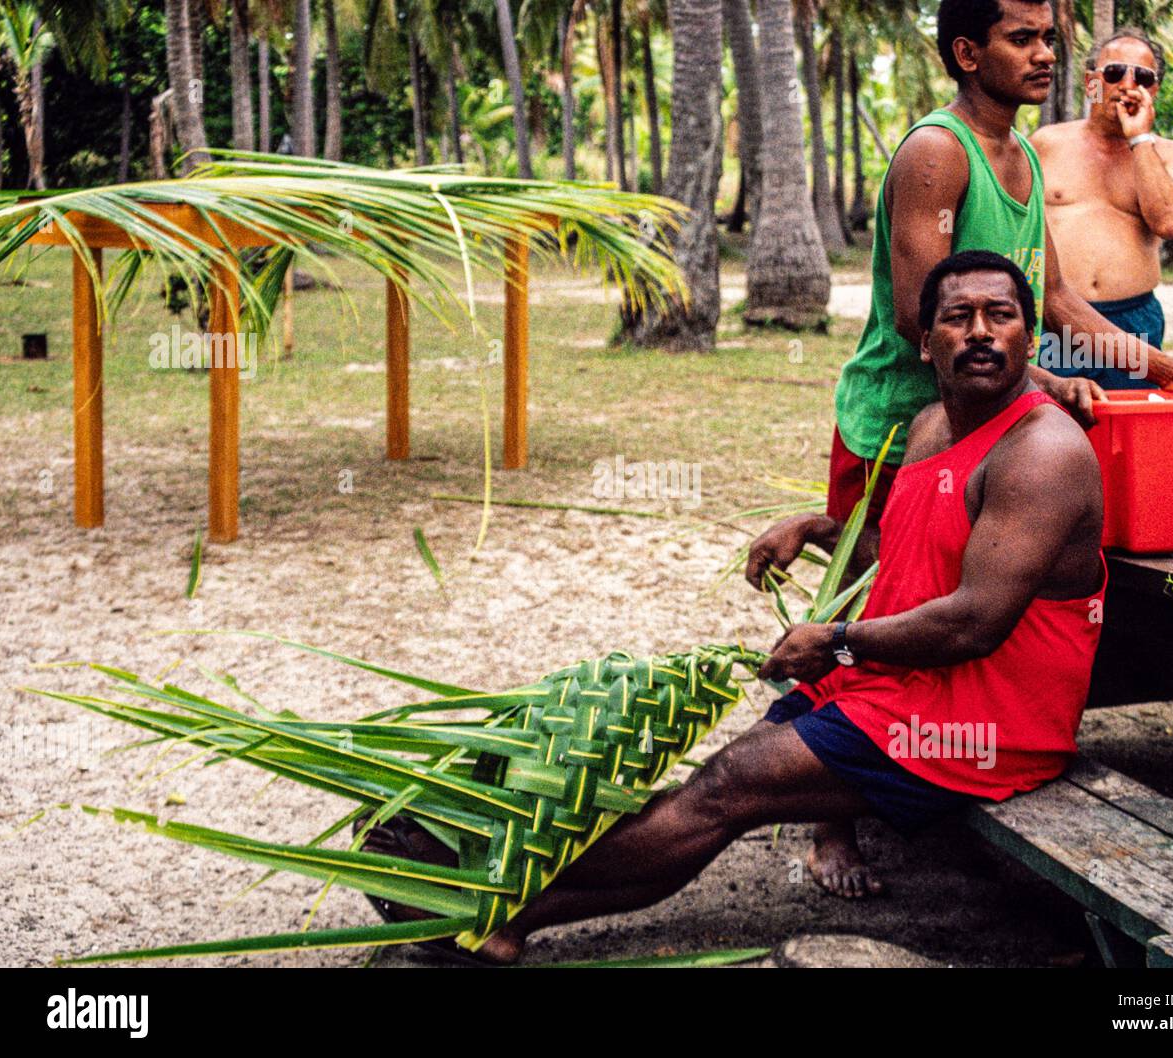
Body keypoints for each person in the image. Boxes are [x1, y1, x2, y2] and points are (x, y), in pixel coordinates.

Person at [363, 252, 1108, 965]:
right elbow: (921, 560)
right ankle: (503, 915)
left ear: (1031, 336)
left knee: (727, 788)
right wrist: (819, 529)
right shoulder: (931, 429)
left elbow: (975, 621)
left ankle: (496, 909)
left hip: (986, 722)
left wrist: (836, 642)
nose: (979, 332)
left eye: (1000, 315)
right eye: (958, 317)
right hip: (903, 682)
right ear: (924, 343)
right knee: (719, 787)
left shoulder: (1041, 452)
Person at [746, 0, 1173, 900]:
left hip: (974, 418)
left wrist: (1165, 367)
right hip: (901, 419)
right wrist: (1039, 385)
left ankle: (899, 765)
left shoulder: (1018, 156)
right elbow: (910, 312)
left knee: (939, 605)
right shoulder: (938, 152)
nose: (1046, 53)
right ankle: (828, 822)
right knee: (868, 592)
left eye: (1050, 38)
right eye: (1023, 39)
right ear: (969, 53)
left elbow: (1057, 306)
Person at [1031, 27, 1173, 389]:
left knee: (1127, 432)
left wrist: (1139, 137)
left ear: (1153, 90)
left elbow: (1169, 222)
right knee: (1052, 430)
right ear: (1091, 82)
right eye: (1114, 73)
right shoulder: (1047, 144)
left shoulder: (1168, 155)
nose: (1127, 83)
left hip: (1132, 318)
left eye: (1142, 77)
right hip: (1055, 321)